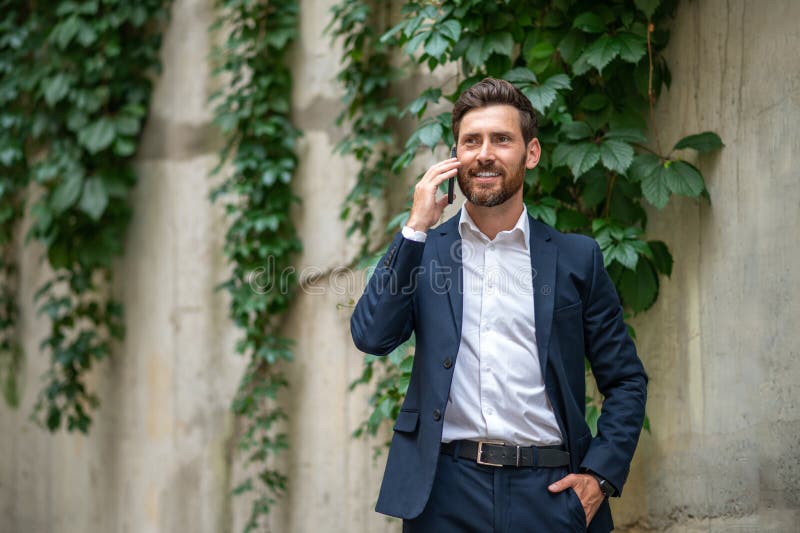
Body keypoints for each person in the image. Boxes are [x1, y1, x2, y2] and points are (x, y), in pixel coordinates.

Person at [350, 77, 647, 532]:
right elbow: (371, 336)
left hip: (550, 495)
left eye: (502, 139)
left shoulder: (576, 258)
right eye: (471, 141)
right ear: (455, 155)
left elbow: (625, 380)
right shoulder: (425, 252)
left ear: (531, 153)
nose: (484, 153)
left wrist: (598, 477)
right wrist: (415, 227)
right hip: (445, 495)